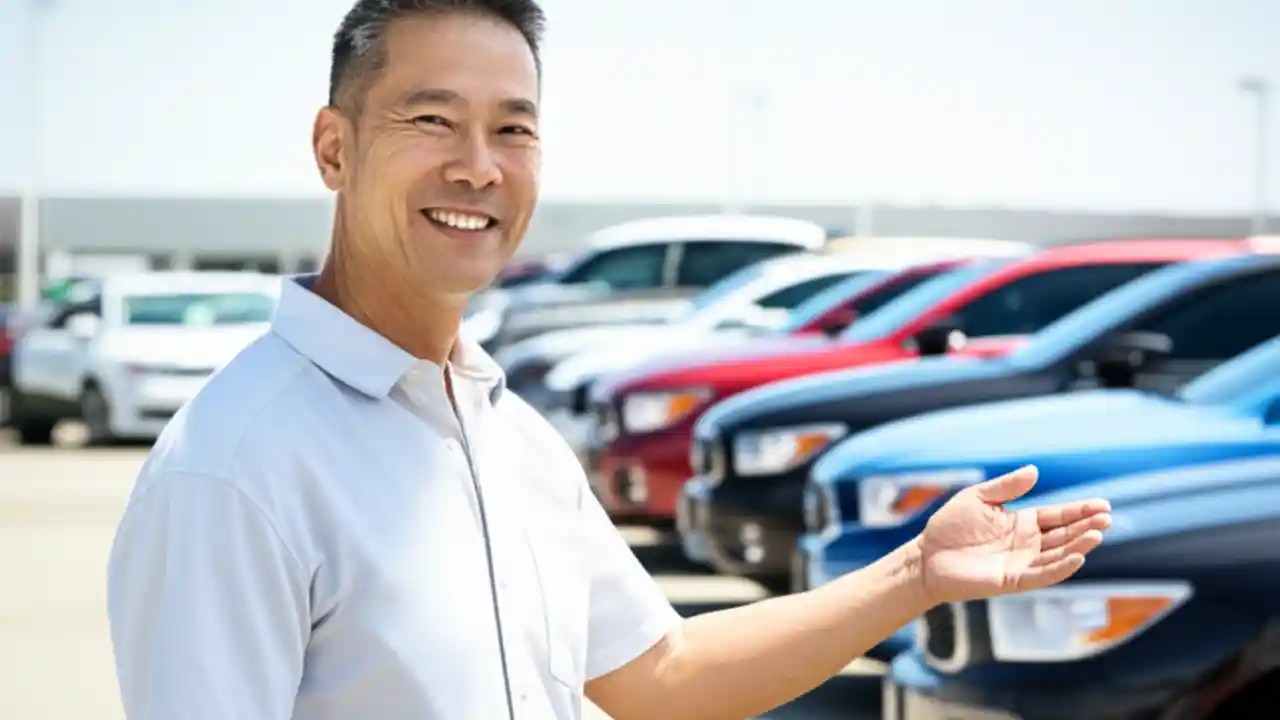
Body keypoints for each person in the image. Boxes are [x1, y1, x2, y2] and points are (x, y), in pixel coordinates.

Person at [105, 1, 1112, 718]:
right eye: (431, 120)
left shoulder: (509, 438)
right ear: (334, 148)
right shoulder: (234, 468)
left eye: (513, 128)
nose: (478, 165)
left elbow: (662, 676)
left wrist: (913, 577)